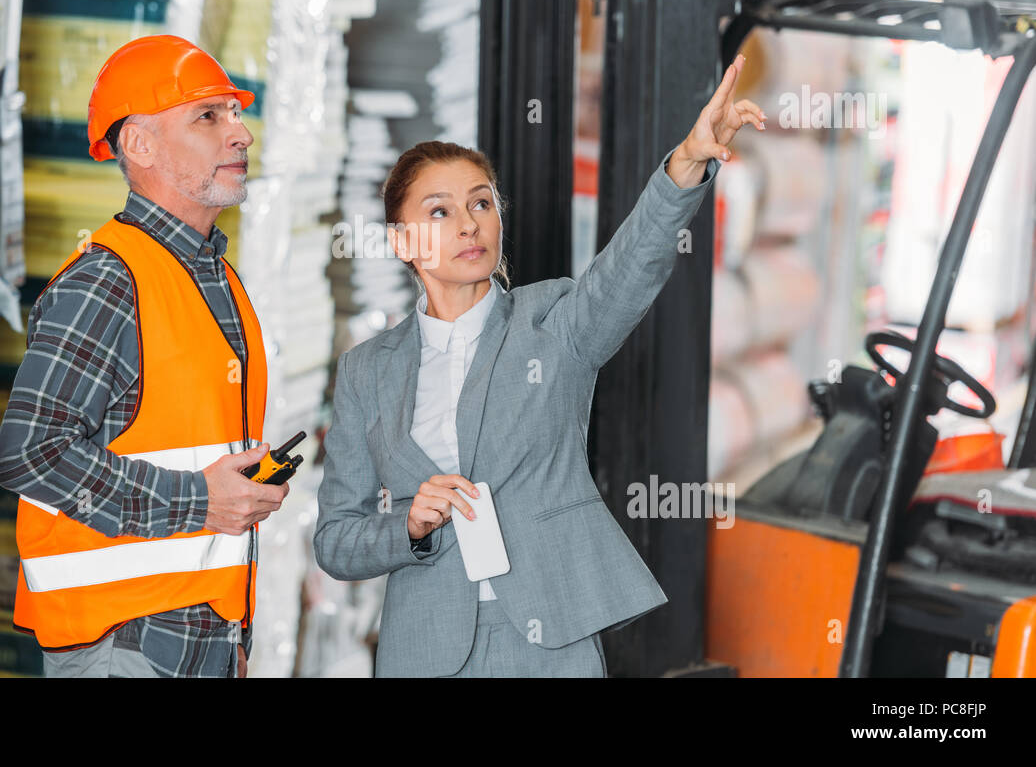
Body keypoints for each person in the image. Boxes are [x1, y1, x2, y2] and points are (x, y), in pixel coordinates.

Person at [314, 54, 765, 677]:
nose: (470, 224)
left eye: (482, 203)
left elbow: (630, 267)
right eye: (440, 212)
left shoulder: (551, 321)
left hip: (547, 640)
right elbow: (336, 540)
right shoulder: (368, 371)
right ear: (401, 241)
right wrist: (408, 527)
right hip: (427, 652)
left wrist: (685, 164)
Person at [0, 35, 288, 678]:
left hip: (198, 643)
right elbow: (28, 453)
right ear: (140, 145)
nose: (240, 134)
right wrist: (199, 502)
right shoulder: (107, 280)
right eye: (207, 116)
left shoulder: (215, 277)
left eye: (235, 113)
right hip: (122, 648)